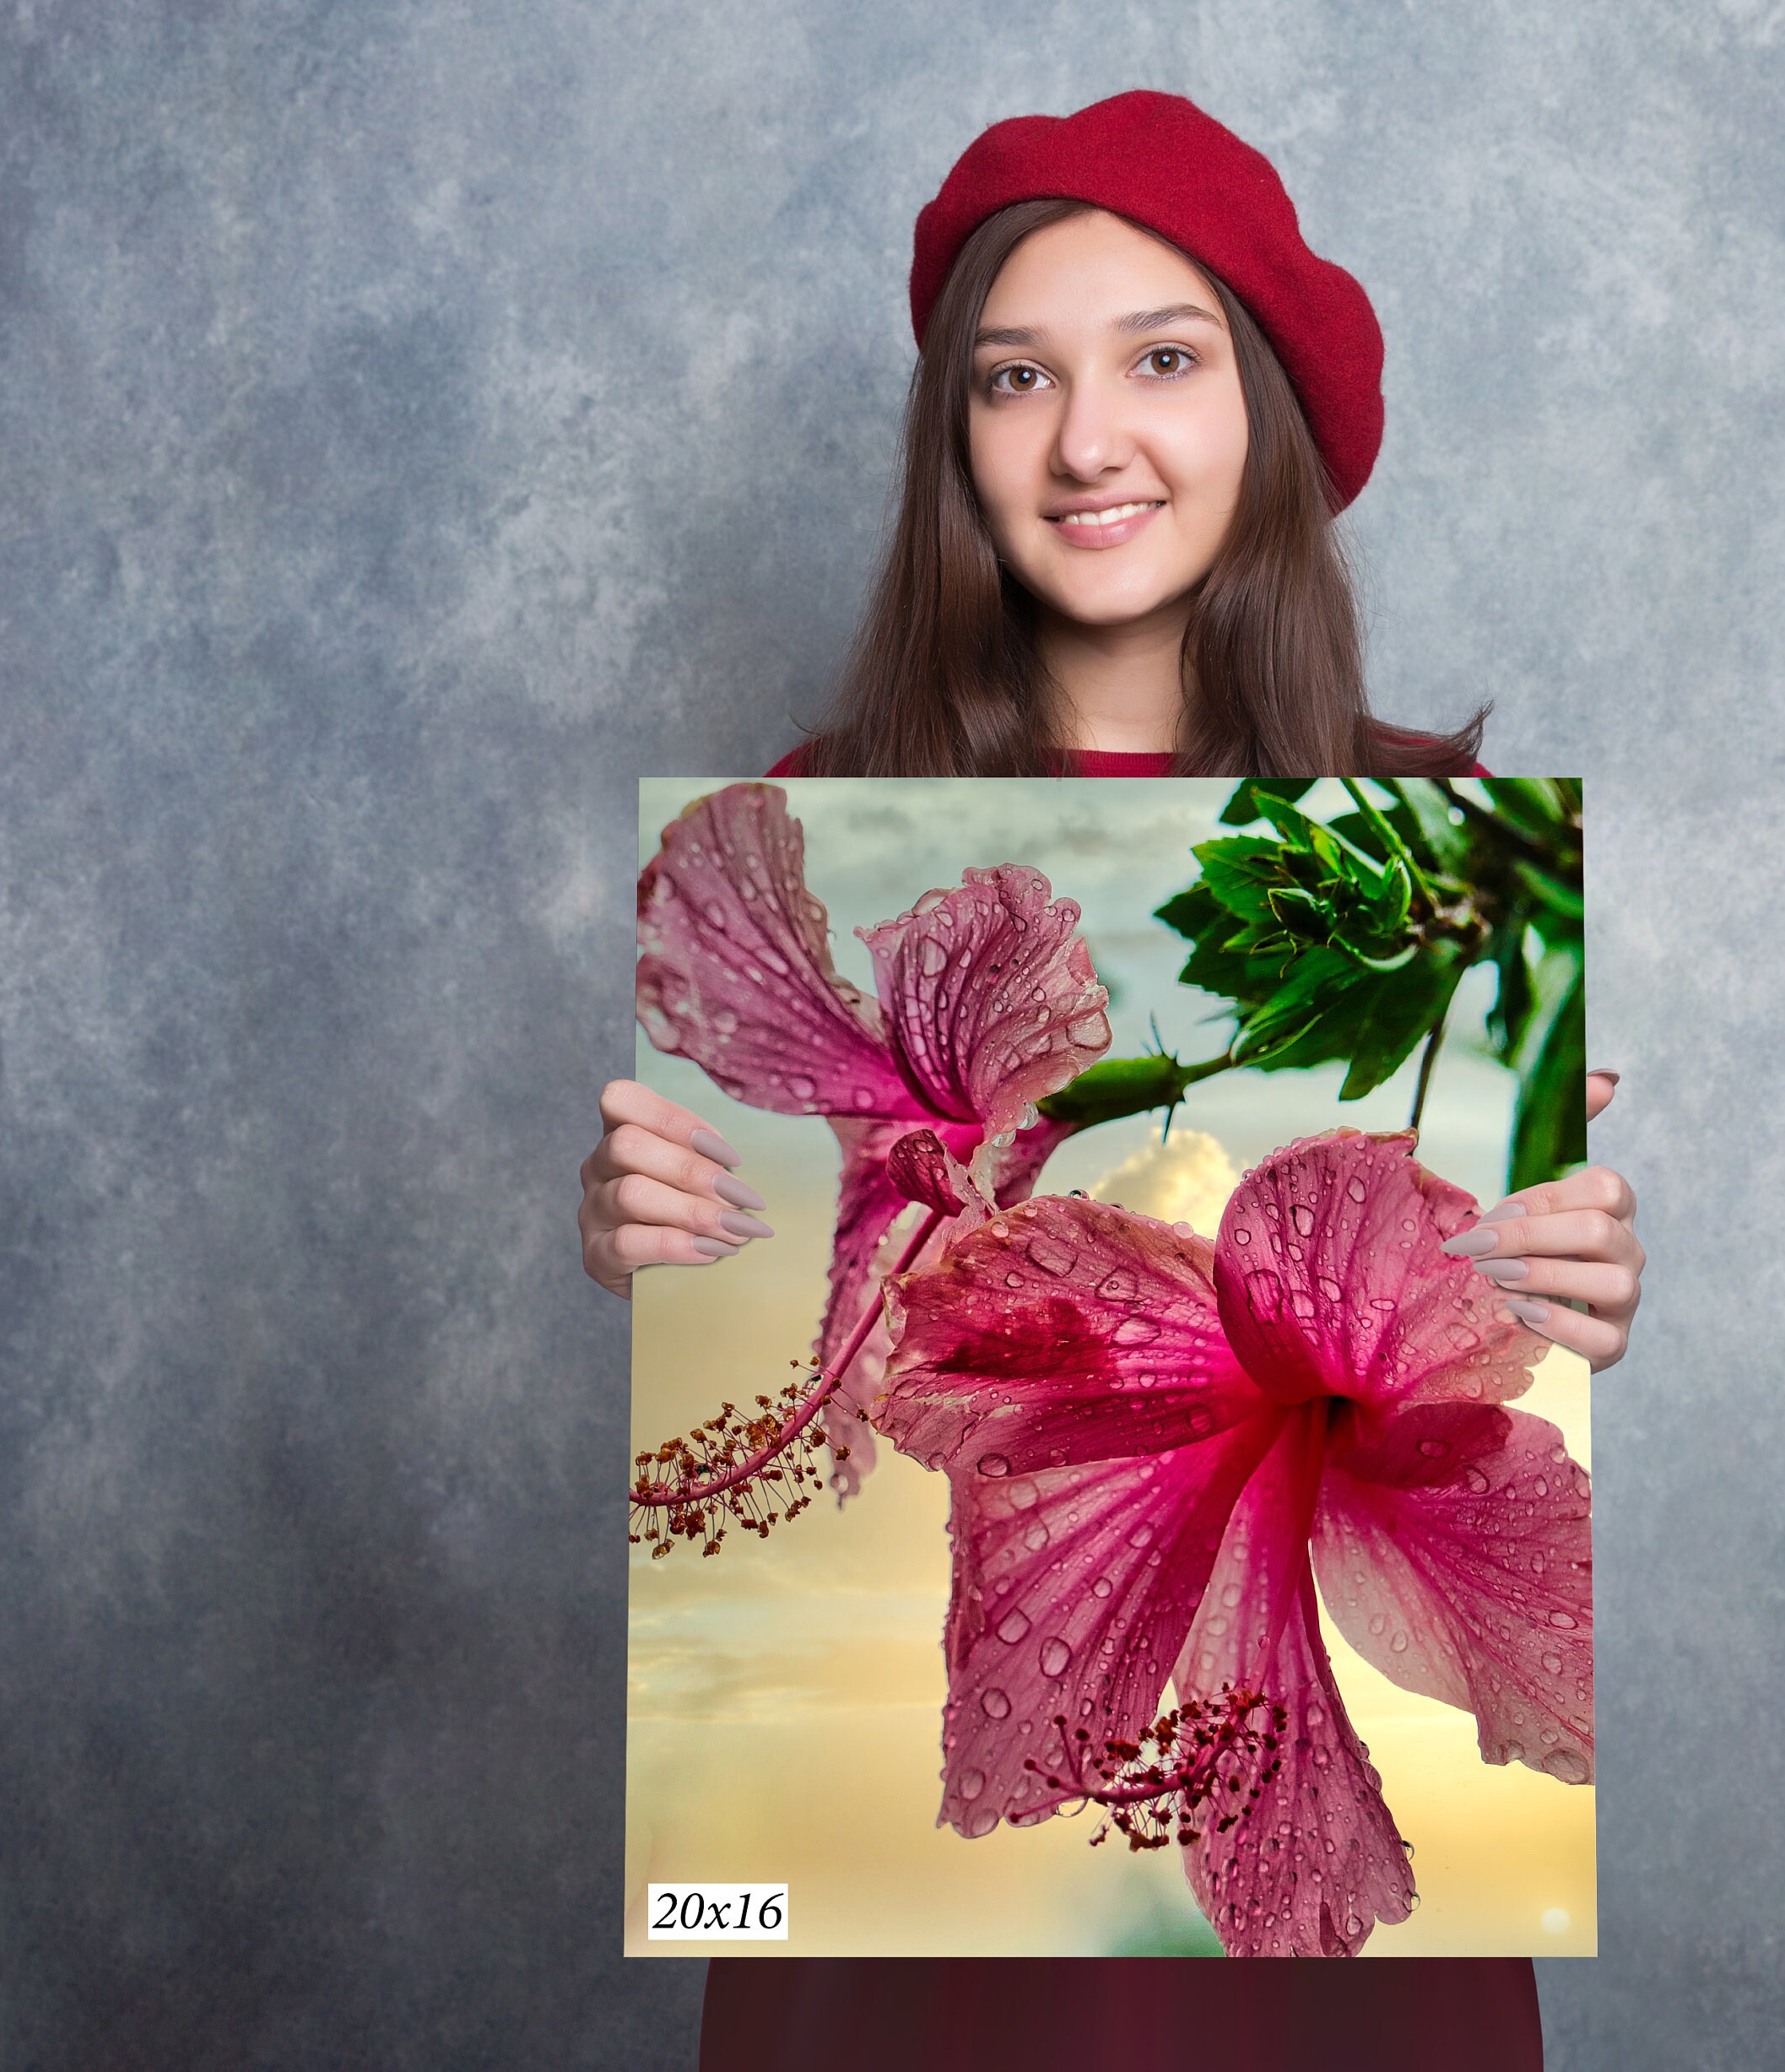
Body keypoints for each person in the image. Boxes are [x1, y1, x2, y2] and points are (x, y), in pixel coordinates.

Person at [578, 92, 1645, 2072]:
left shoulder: (1456, 855)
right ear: (955, 449)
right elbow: (807, 1268)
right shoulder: (822, 818)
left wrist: (1573, 1275)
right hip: (891, 1956)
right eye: (1015, 378)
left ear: (1265, 415)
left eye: (1163, 359)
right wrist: (656, 1227)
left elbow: (1482, 1305)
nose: (1088, 440)